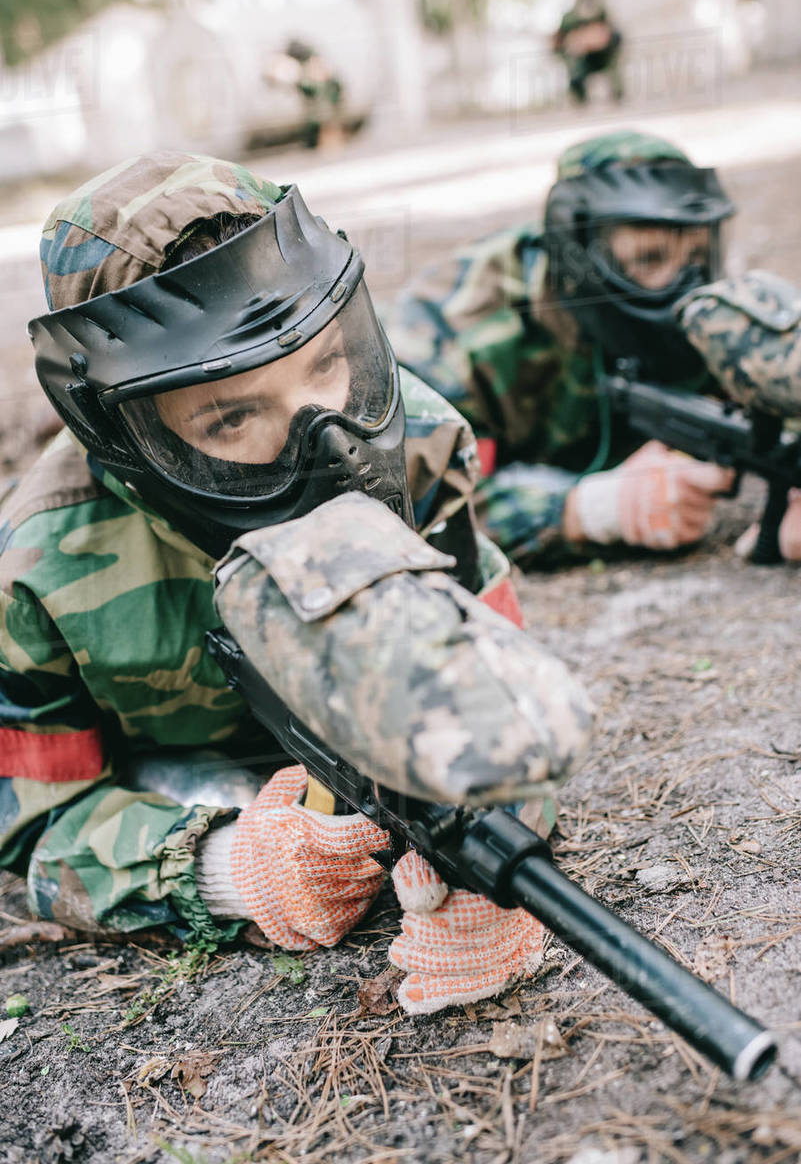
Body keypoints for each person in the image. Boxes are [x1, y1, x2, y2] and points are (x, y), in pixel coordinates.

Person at [0, 151, 590, 1015]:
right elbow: (31, 819)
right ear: (125, 432)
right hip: (184, 779)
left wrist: (490, 869)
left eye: (324, 366)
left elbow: (494, 682)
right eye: (231, 415)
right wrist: (227, 869)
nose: (332, 443)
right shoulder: (40, 568)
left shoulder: (418, 438)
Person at [382, 128, 756, 566]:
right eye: (651, 259)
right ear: (580, 254)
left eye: (698, 257)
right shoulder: (451, 328)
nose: (683, 284)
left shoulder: (706, 305)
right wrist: (586, 510)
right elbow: (414, 500)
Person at [552, 0, 624, 105]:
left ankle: (618, 95)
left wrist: (599, 39)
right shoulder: (569, 18)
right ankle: (579, 97)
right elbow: (558, 42)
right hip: (580, 60)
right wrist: (574, 42)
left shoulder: (601, 12)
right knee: (575, 68)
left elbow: (613, 34)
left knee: (614, 54)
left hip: (603, 56)